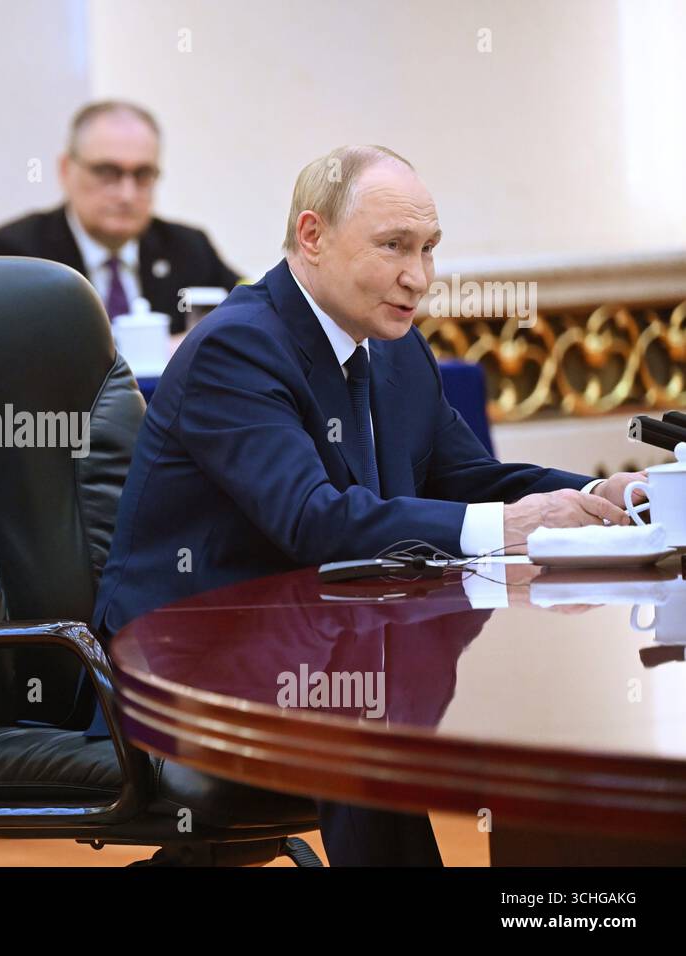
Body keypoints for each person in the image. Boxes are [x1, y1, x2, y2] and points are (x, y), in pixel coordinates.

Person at [90, 144, 647, 864]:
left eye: (428, 249)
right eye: (393, 247)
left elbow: (468, 476)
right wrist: (511, 527)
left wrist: (595, 494)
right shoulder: (238, 348)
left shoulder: (394, 349)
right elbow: (315, 520)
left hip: (321, 645)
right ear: (313, 236)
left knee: (388, 691)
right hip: (184, 661)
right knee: (365, 704)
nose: (419, 278)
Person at [0, 101, 241, 335]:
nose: (127, 194)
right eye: (107, 172)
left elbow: (250, 313)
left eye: (143, 174)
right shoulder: (16, 256)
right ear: (66, 170)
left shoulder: (188, 248)